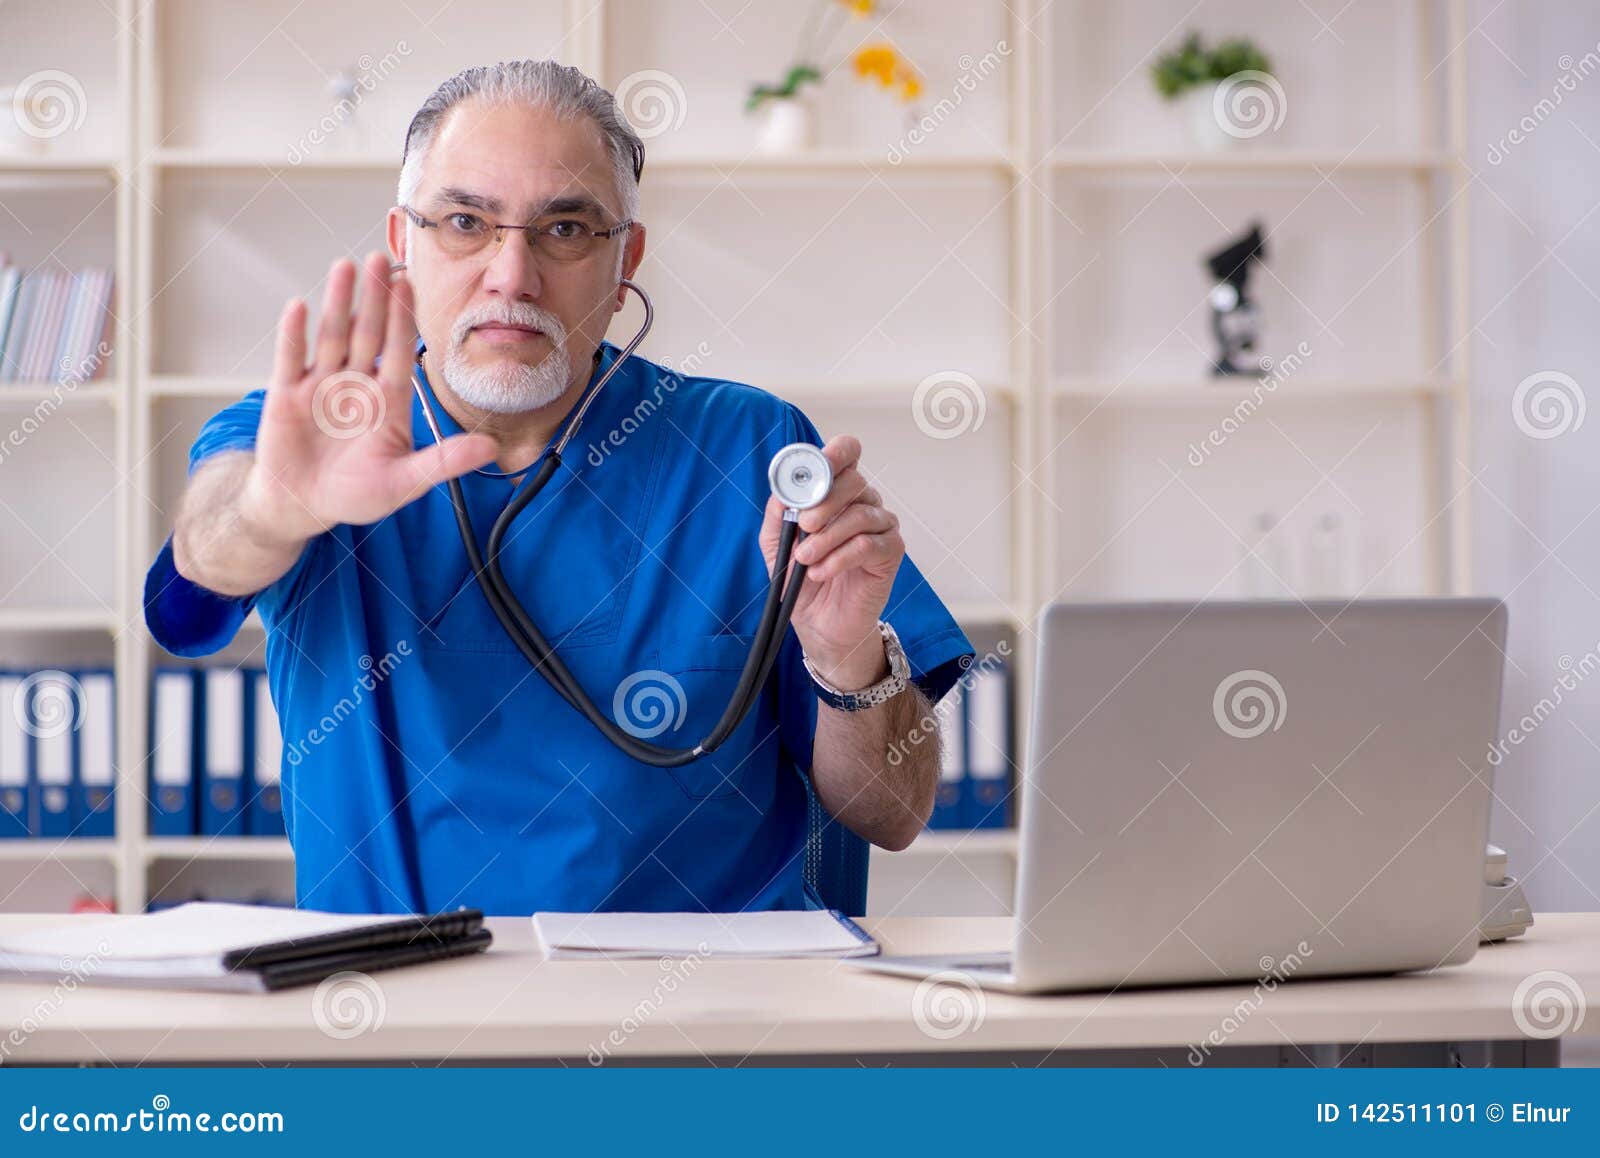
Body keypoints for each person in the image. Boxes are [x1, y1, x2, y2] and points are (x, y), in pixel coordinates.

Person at [144, 60, 975, 915]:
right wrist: (271, 512)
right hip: (399, 1010)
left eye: (567, 229)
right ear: (403, 244)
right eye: (465, 221)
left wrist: (847, 661)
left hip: (707, 1017)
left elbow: (892, 813)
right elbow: (191, 592)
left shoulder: (751, 451)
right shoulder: (309, 436)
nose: (512, 274)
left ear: (625, 263)